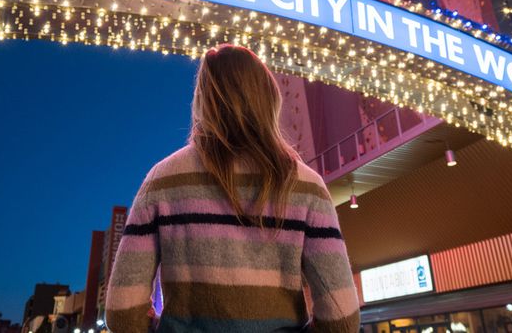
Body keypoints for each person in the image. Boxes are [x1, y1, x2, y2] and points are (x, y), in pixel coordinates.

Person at [104, 44, 360, 332]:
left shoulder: (161, 180)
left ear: (203, 100)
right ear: (269, 97)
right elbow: (342, 319)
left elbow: (122, 314)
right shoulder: (307, 186)